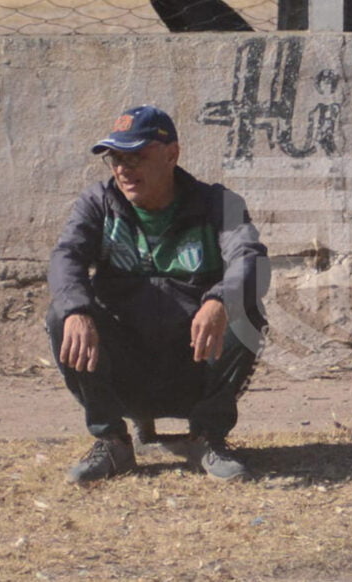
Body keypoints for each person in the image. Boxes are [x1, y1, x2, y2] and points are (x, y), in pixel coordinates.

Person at [46, 105, 269, 484]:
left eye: (137, 157)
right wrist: (76, 310)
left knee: (245, 310)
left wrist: (219, 300)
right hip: (125, 368)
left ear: (171, 155)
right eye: (116, 158)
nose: (124, 169)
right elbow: (65, 257)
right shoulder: (98, 203)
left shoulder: (218, 204)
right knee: (61, 315)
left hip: (195, 364)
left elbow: (251, 260)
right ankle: (112, 441)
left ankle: (208, 438)